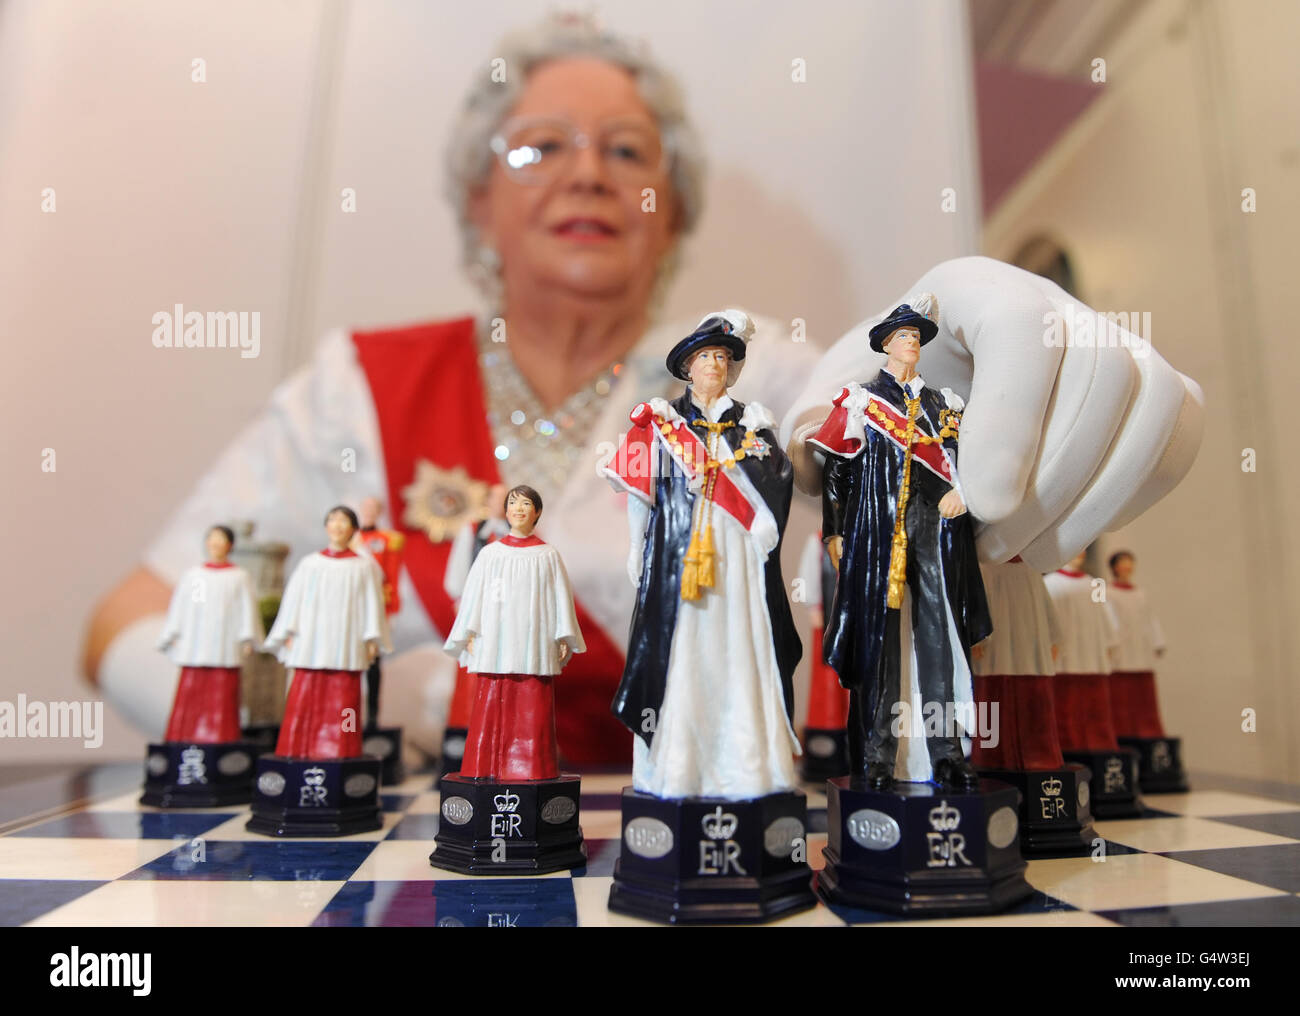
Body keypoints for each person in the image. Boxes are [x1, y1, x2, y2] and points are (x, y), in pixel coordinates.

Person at [81, 12, 820, 766]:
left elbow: (871, 407)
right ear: (478, 200)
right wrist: (330, 704)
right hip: (408, 865)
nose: (590, 174)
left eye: (628, 151)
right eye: (541, 147)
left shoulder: (738, 368)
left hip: (671, 842)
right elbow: (124, 623)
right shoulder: (361, 386)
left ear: (674, 212)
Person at [602, 310, 802, 800]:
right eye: (705, 356)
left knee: (739, 647)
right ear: (687, 367)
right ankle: (679, 767)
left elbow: (777, 486)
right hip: (677, 554)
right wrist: (635, 545)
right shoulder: (661, 421)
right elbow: (638, 490)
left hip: (737, 560)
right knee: (683, 648)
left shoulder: (753, 423)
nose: (713, 364)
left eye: (721, 357)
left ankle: (744, 768)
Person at [811, 295, 991, 790]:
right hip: (877, 531)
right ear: (887, 344)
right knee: (880, 640)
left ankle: (947, 753)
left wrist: (964, 491)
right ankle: (877, 753)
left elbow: (966, 461)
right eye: (904, 336)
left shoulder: (945, 403)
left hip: (936, 530)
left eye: (916, 336)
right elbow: (837, 472)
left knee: (939, 638)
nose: (911, 343)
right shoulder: (862, 401)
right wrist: (834, 529)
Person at [443, 485, 586, 780]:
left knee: (532, 702)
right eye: (512, 503)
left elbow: (560, 597)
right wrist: (468, 629)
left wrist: (563, 634)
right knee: (492, 699)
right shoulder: (490, 554)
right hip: (495, 639)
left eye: (525, 504)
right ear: (506, 511)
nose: (518, 509)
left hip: (533, 641)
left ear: (537, 512)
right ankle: (487, 767)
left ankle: (530, 767)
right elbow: (474, 596)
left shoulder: (547, 554)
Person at [264, 506, 392, 759]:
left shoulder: (363, 567)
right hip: (310, 640)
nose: (337, 525)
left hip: (346, 642)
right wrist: (287, 632)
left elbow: (371, 605)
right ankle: (297, 746)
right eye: (333, 520)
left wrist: (371, 638)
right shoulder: (310, 564)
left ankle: (343, 748)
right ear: (326, 527)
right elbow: (293, 602)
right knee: (304, 695)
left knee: (344, 697)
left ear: (353, 530)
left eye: (344, 521)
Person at [156, 525, 263, 744]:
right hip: (198, 641)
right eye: (212, 539)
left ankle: (220, 735)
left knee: (222, 692)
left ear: (230, 545)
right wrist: (177, 632)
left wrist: (247, 637)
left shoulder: (239, 577)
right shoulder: (196, 576)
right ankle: (185, 734)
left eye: (220, 539)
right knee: (192, 689)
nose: (215, 544)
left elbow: (246, 609)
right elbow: (187, 606)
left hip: (225, 642)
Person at [969, 557, 1065, 771]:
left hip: (1031, 649)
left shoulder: (1032, 568)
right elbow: (977, 603)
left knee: (1034, 705)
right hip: (996, 650)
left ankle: (1040, 757)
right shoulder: (986, 567)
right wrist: (977, 637)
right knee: (992, 705)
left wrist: (1053, 637)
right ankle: (990, 759)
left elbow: (1045, 605)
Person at [1041, 551, 1122, 753]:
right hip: (1065, 655)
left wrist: (1110, 643)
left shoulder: (1096, 584)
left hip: (1091, 652)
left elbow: (1105, 613)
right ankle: (1066, 746)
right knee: (1064, 704)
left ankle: (1098, 745)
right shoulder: (1049, 583)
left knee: (1094, 705)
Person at [353, 496, 404, 729]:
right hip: (352, 608)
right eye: (366, 508)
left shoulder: (387, 540)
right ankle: (349, 715)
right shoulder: (352, 540)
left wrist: (391, 610)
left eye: (373, 509)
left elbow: (392, 576)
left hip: (375, 608)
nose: (369, 512)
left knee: (373, 662)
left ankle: (372, 714)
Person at [1105, 549, 1168, 739]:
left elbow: (1150, 619)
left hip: (1140, 649)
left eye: (1129, 563)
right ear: (1115, 567)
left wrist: (1158, 641)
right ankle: (1122, 732)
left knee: (1143, 697)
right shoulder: (1108, 592)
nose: (1127, 567)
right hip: (1122, 651)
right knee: (1122, 696)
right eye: (1123, 563)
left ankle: (1148, 732)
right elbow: (1109, 620)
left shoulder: (1140, 593)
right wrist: (1111, 643)